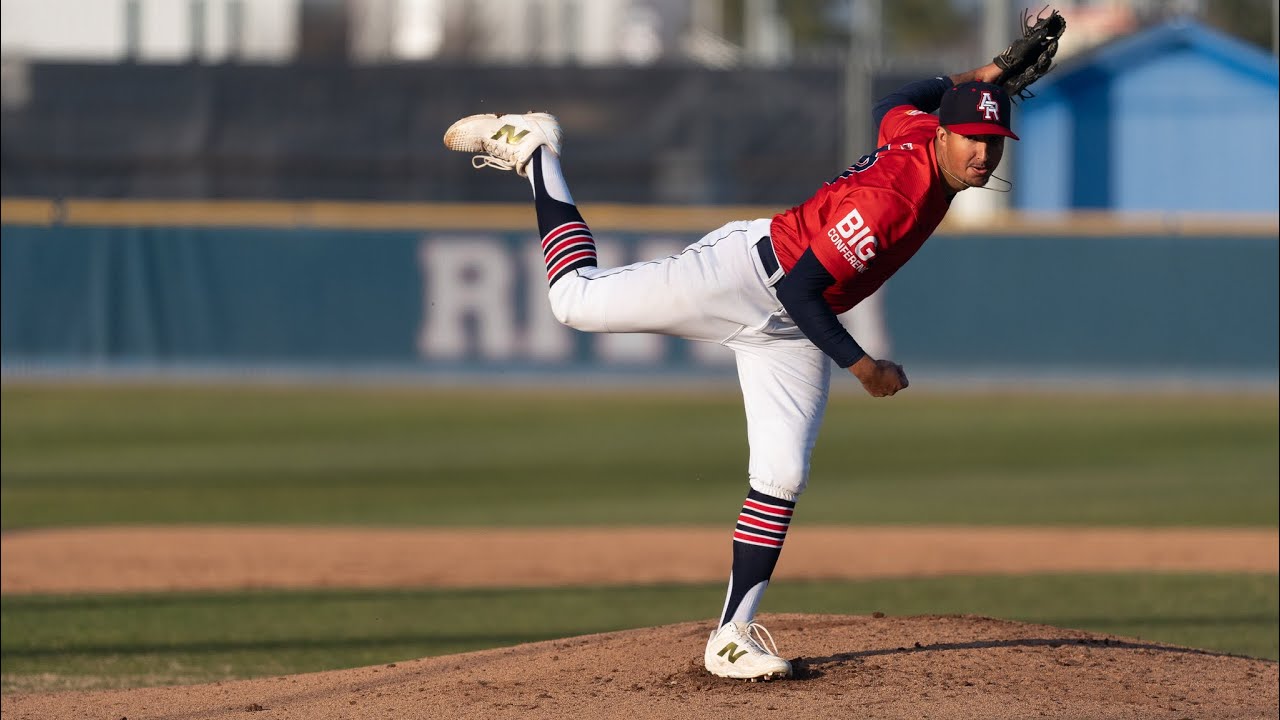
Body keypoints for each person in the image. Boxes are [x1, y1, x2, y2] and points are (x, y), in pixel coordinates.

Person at [443, 61, 1018, 681]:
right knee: (572, 301)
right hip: (743, 278)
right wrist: (863, 367)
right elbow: (803, 291)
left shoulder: (914, 133)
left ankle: (732, 636)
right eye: (971, 138)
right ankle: (536, 151)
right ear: (943, 135)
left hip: (792, 325)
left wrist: (984, 76)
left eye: (992, 143)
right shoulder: (893, 199)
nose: (983, 154)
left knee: (783, 472)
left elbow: (896, 99)